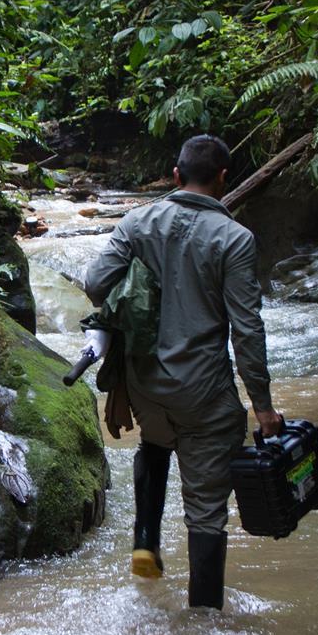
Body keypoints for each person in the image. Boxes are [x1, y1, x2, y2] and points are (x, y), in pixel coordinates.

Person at [83, 134, 281, 609]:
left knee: (155, 440)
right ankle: (205, 625)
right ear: (223, 179)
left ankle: (145, 541)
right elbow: (247, 330)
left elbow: (95, 284)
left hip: (145, 385)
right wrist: (263, 406)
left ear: (175, 175)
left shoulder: (137, 222)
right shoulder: (235, 239)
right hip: (202, 391)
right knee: (207, 513)